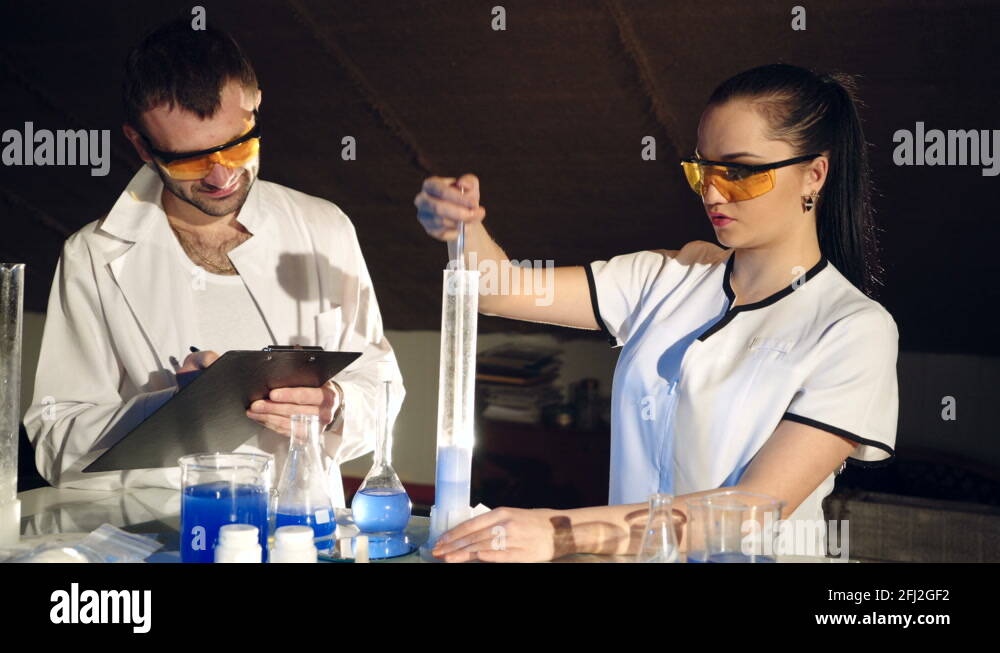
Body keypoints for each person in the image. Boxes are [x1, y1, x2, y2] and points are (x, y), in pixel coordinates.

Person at [415, 64, 898, 562]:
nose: (712, 193)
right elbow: (499, 290)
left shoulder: (853, 329)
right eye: (703, 170)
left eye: (738, 172)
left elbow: (749, 512)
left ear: (813, 174)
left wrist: (556, 532)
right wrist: (460, 228)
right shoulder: (671, 275)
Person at [22, 19, 404, 503]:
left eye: (237, 144)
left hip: (300, 532)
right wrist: (173, 410)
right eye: (190, 160)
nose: (221, 176)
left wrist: (336, 405)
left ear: (256, 106)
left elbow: (381, 384)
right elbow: (56, 442)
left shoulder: (324, 228)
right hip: (159, 535)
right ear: (141, 145)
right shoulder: (93, 256)